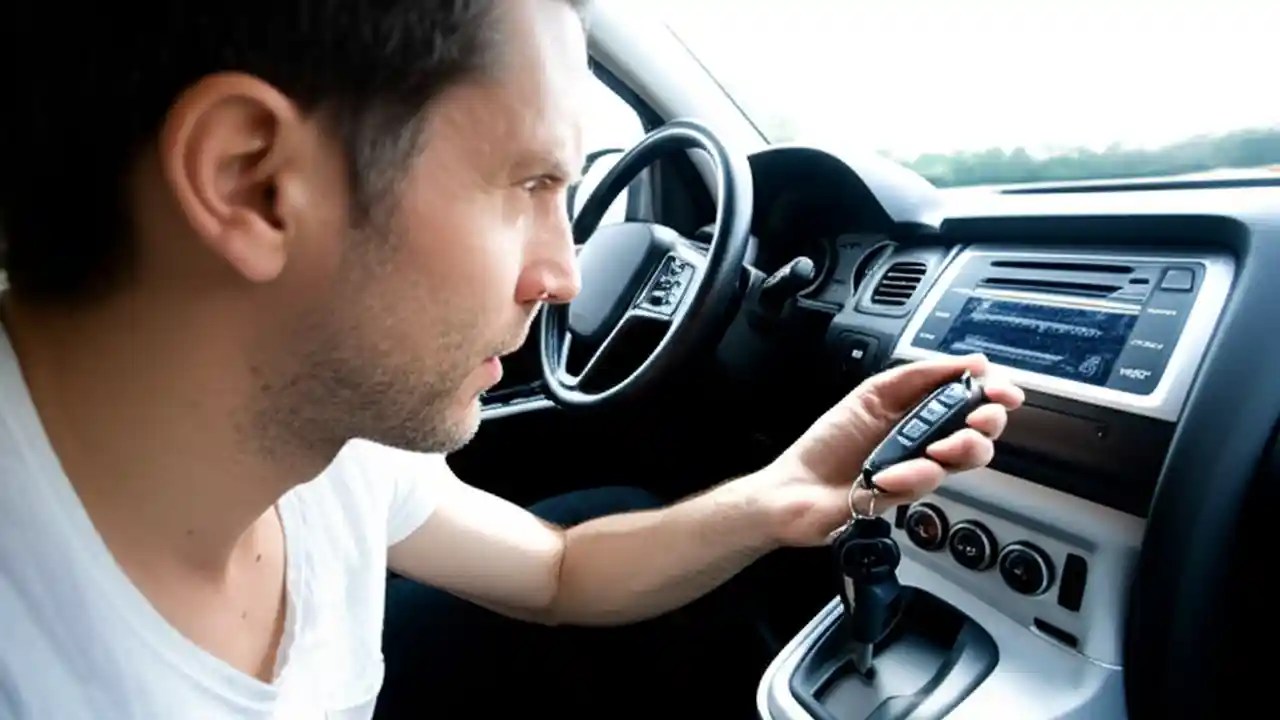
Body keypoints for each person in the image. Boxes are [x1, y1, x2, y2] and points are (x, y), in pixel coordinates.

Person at [0, 1, 1024, 718]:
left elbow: (555, 571)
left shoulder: (320, 435)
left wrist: (775, 495)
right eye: (530, 183)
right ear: (252, 183)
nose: (563, 274)